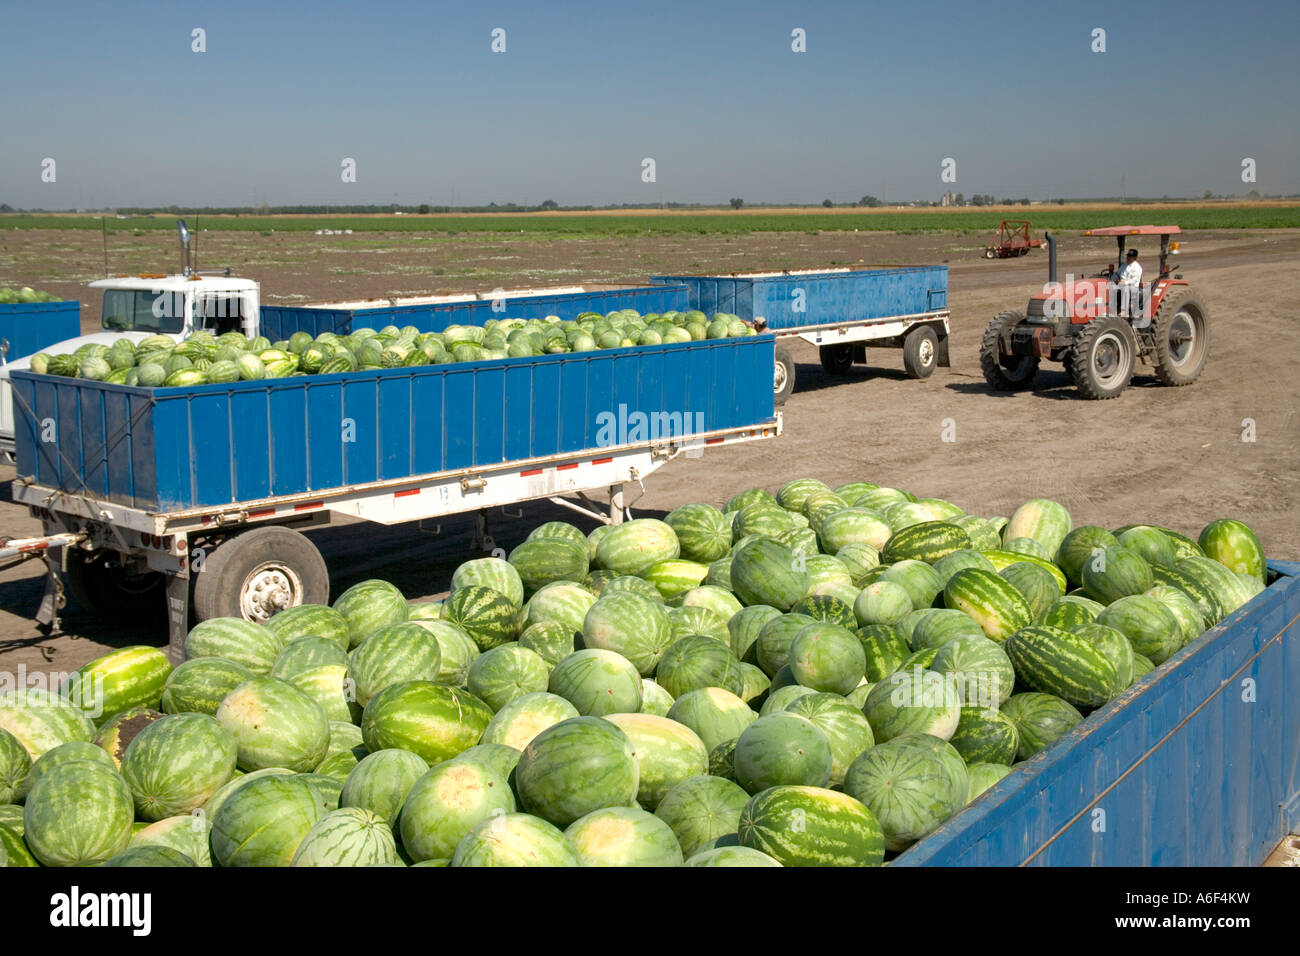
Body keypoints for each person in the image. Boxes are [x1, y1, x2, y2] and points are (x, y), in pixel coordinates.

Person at [1114, 248, 1145, 325]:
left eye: (1130, 256)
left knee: (1126, 288)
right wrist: (1112, 279)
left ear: (1135, 258)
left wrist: (1124, 282)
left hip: (1133, 288)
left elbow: (1134, 280)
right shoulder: (1124, 266)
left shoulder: (1137, 268)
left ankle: (1125, 311)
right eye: (1128, 256)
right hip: (1121, 285)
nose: (1128, 258)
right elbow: (1117, 275)